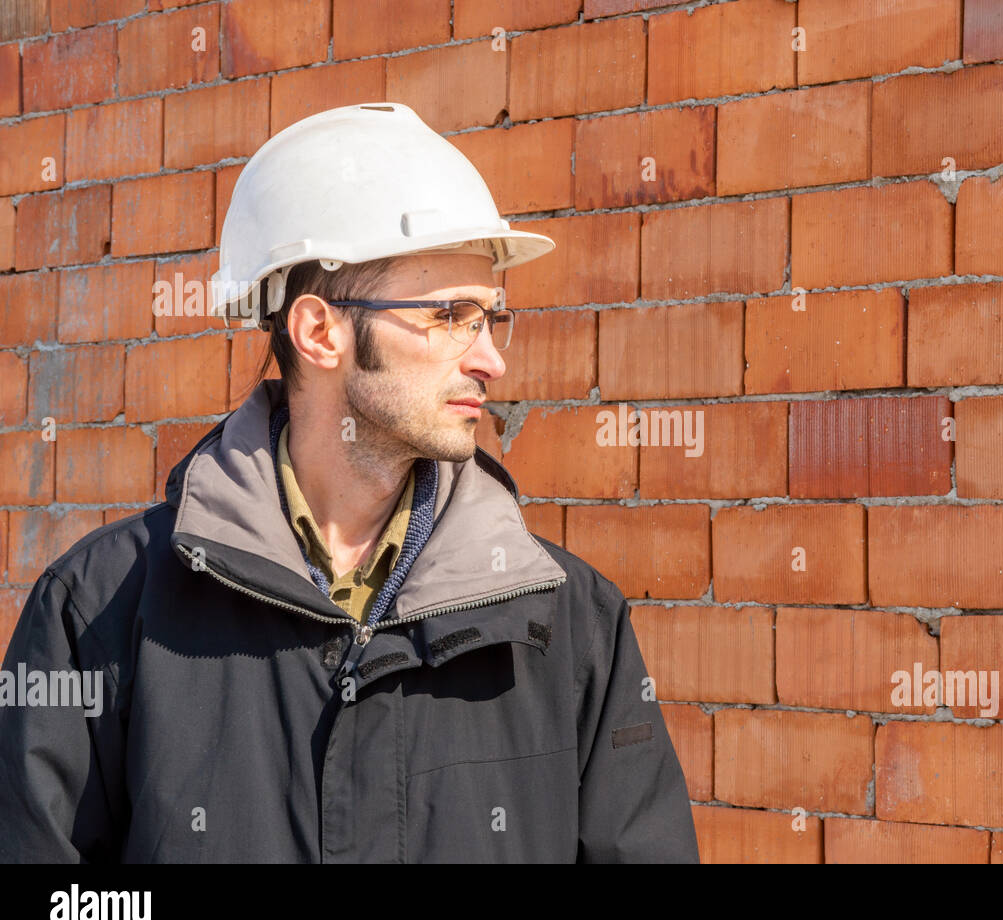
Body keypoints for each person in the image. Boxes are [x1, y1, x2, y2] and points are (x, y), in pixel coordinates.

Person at [0, 103, 700, 863]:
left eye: (491, 318)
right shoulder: (100, 611)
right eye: (451, 316)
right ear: (320, 332)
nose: (490, 360)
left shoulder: (568, 623)